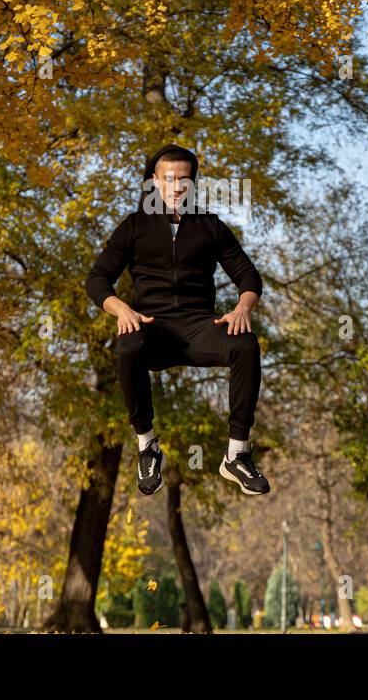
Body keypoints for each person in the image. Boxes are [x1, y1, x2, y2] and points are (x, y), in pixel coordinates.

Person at [86, 144, 270, 497]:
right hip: (153, 327)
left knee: (245, 344)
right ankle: (147, 445)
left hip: (201, 327)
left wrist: (243, 308)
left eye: (184, 180)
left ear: (193, 184)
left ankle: (236, 455)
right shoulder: (134, 226)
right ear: (154, 182)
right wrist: (121, 309)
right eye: (169, 180)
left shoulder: (211, 227)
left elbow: (249, 278)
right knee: (128, 343)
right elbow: (97, 279)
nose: (176, 188)